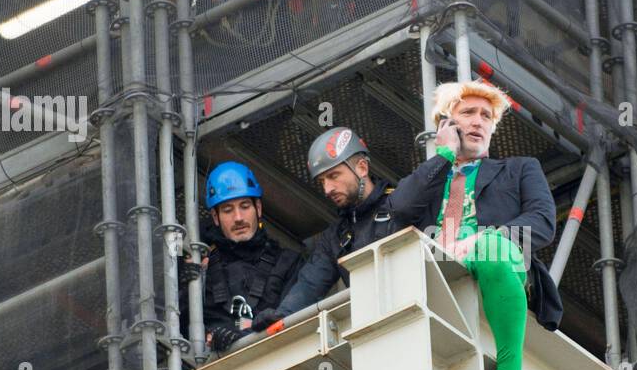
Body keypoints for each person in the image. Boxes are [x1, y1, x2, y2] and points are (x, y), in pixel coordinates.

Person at [405, 80, 560, 370]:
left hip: (501, 264)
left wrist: (479, 241)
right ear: (446, 124)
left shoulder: (520, 168)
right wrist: (444, 157)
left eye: (486, 116)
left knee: (490, 248)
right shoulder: (430, 180)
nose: (478, 122)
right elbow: (399, 210)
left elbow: (542, 222)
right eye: (468, 113)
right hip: (439, 274)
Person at [254, 126, 450, 327]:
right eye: (322, 181)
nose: (327, 189)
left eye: (333, 175)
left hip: (428, 317)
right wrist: (281, 315)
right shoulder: (335, 237)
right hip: (375, 331)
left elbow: (423, 185)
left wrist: (447, 153)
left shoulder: (398, 201)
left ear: (362, 168)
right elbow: (309, 285)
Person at [182, 160, 301, 352]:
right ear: (215, 217)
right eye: (228, 210)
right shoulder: (202, 271)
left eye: (245, 206)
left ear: (258, 208)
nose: (238, 217)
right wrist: (183, 290)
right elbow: (179, 331)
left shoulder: (287, 262)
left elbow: (299, 320)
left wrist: (248, 332)